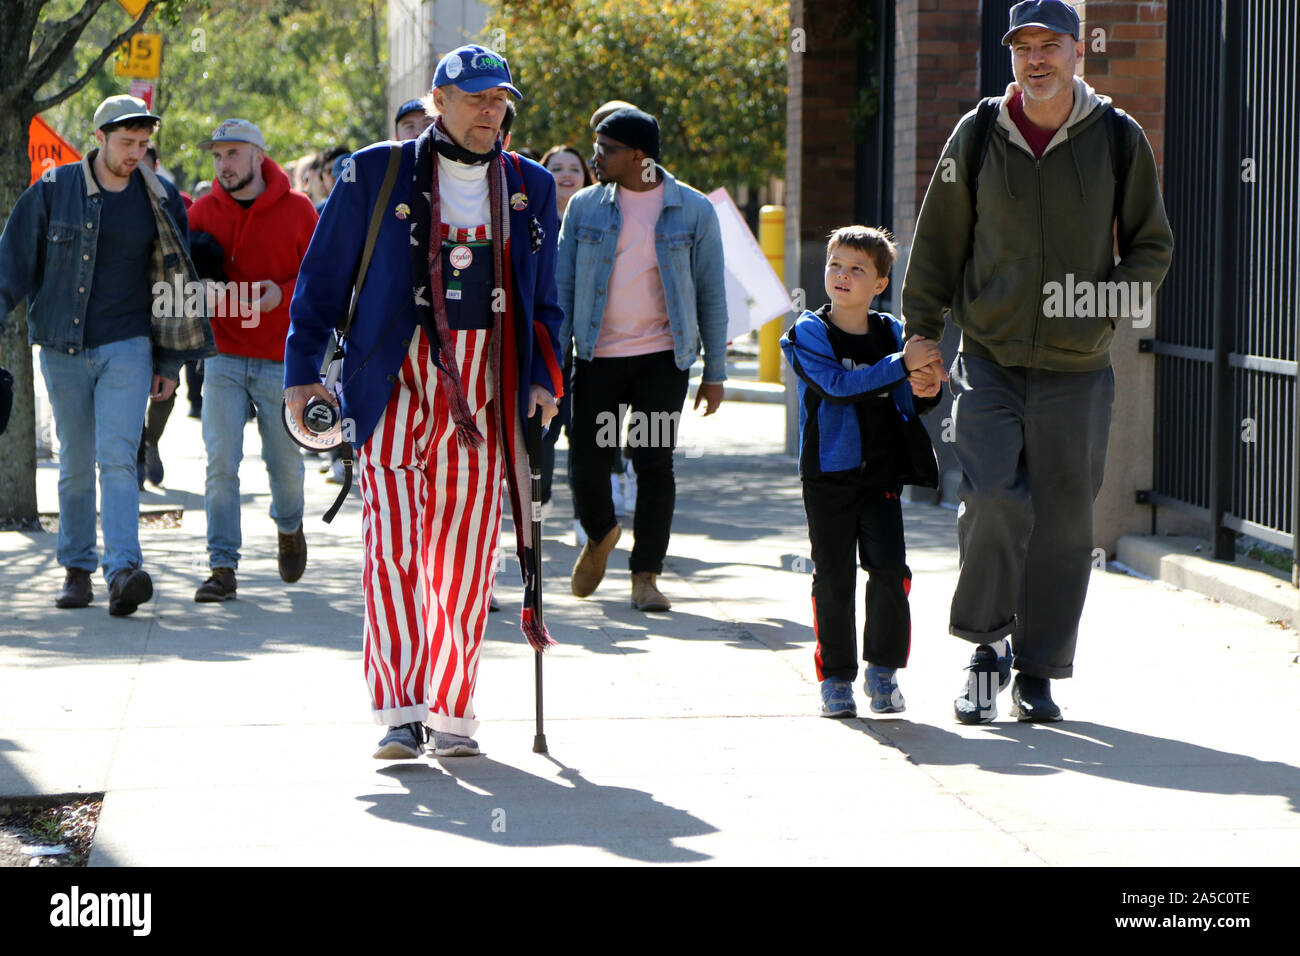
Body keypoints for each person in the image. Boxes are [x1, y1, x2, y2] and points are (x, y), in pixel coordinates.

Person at [284, 44, 564, 759]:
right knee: (395, 553)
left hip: (488, 386)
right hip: (397, 381)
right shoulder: (376, 171)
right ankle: (400, 713)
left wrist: (543, 376)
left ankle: (452, 713)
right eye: (476, 99)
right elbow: (318, 282)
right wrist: (301, 374)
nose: (490, 112)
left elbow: (547, 301)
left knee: (468, 561)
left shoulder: (530, 185)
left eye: (500, 100)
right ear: (437, 102)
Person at [901, 0, 1173, 723]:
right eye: (1023, 47)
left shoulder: (1117, 137)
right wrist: (920, 332)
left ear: (1079, 51)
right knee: (992, 501)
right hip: (987, 358)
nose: (1036, 59)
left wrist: (1103, 304)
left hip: (1077, 368)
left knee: (1063, 524)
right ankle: (986, 650)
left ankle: (1040, 669)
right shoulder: (980, 132)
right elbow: (937, 243)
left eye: (1050, 45)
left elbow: (1152, 245)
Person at [0, 94, 212, 615]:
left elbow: (176, 286)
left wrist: (168, 364)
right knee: (74, 463)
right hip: (62, 346)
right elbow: (10, 267)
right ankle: (77, 570)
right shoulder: (52, 191)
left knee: (118, 459)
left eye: (143, 144)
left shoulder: (162, 198)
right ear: (99, 138)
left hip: (128, 343)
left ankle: (122, 572)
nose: (135, 152)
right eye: (126, 142)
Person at [557, 107, 727, 613]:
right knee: (586, 458)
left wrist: (714, 373)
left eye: (605, 150)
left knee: (651, 461)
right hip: (596, 356)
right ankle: (601, 532)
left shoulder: (692, 211)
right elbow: (563, 289)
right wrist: (553, 363)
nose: (595, 157)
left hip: (661, 359)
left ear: (638, 156)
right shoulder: (585, 208)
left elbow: (711, 296)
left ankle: (646, 576)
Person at [781, 226, 941, 717]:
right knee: (833, 578)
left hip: (881, 474)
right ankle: (837, 680)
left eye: (857, 268)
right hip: (828, 475)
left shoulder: (892, 331)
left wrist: (925, 385)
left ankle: (883, 671)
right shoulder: (808, 331)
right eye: (835, 265)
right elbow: (836, 386)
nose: (843, 275)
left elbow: (906, 401)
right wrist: (901, 365)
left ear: (879, 283)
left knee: (890, 570)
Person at [187, 119, 319, 602]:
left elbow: (320, 282)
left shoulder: (300, 210)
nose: (224, 165)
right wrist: (195, 290)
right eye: (217, 156)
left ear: (258, 156)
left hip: (281, 359)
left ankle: (289, 526)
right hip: (221, 356)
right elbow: (180, 283)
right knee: (221, 462)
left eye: (233, 154)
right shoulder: (201, 212)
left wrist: (279, 295)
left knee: (284, 463)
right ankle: (222, 567)